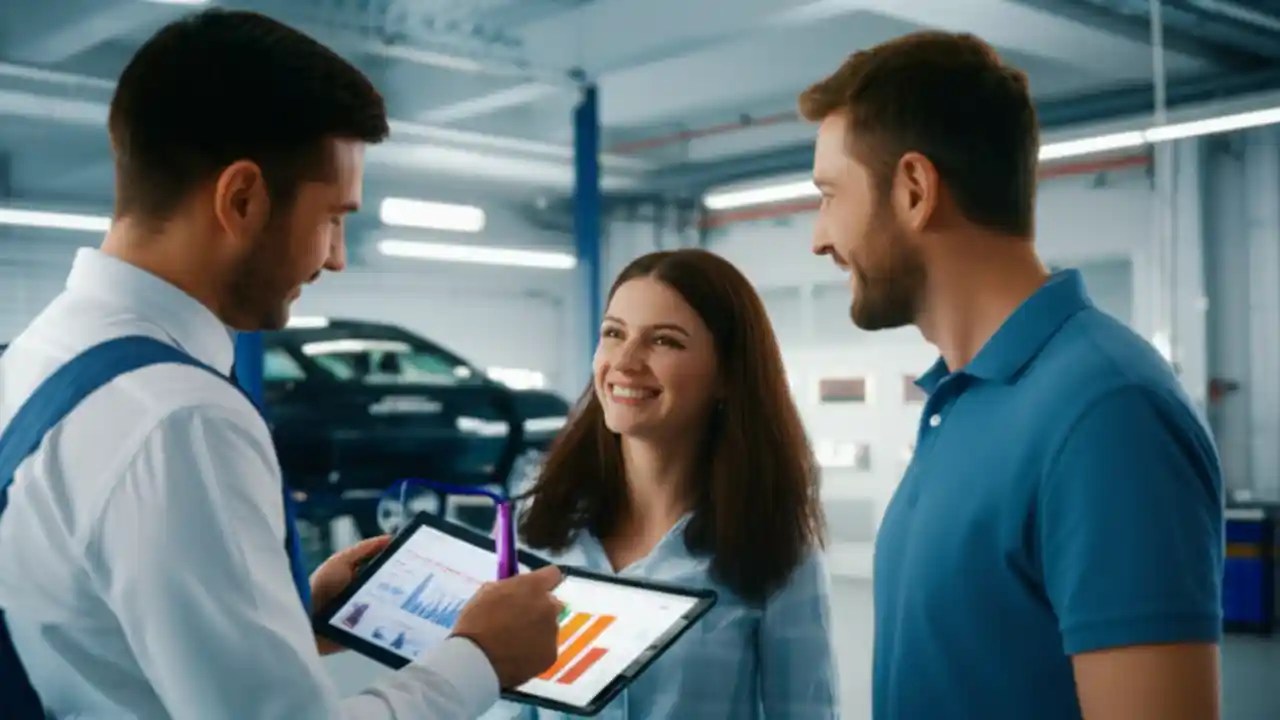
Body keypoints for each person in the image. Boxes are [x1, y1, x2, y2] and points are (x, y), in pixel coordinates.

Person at [0, 9, 562, 719]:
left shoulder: (37, 359)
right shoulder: (181, 419)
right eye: (333, 217)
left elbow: (100, 638)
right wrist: (481, 658)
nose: (336, 257)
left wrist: (287, 617)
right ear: (241, 199)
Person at [798, 31, 1224, 720]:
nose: (818, 237)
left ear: (913, 189)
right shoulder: (960, 399)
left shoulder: (1107, 414)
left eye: (828, 195)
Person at [488, 249, 840, 719]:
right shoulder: (535, 526)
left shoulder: (776, 547)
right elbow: (502, 706)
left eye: (665, 342)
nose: (626, 361)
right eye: (614, 333)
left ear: (727, 377)